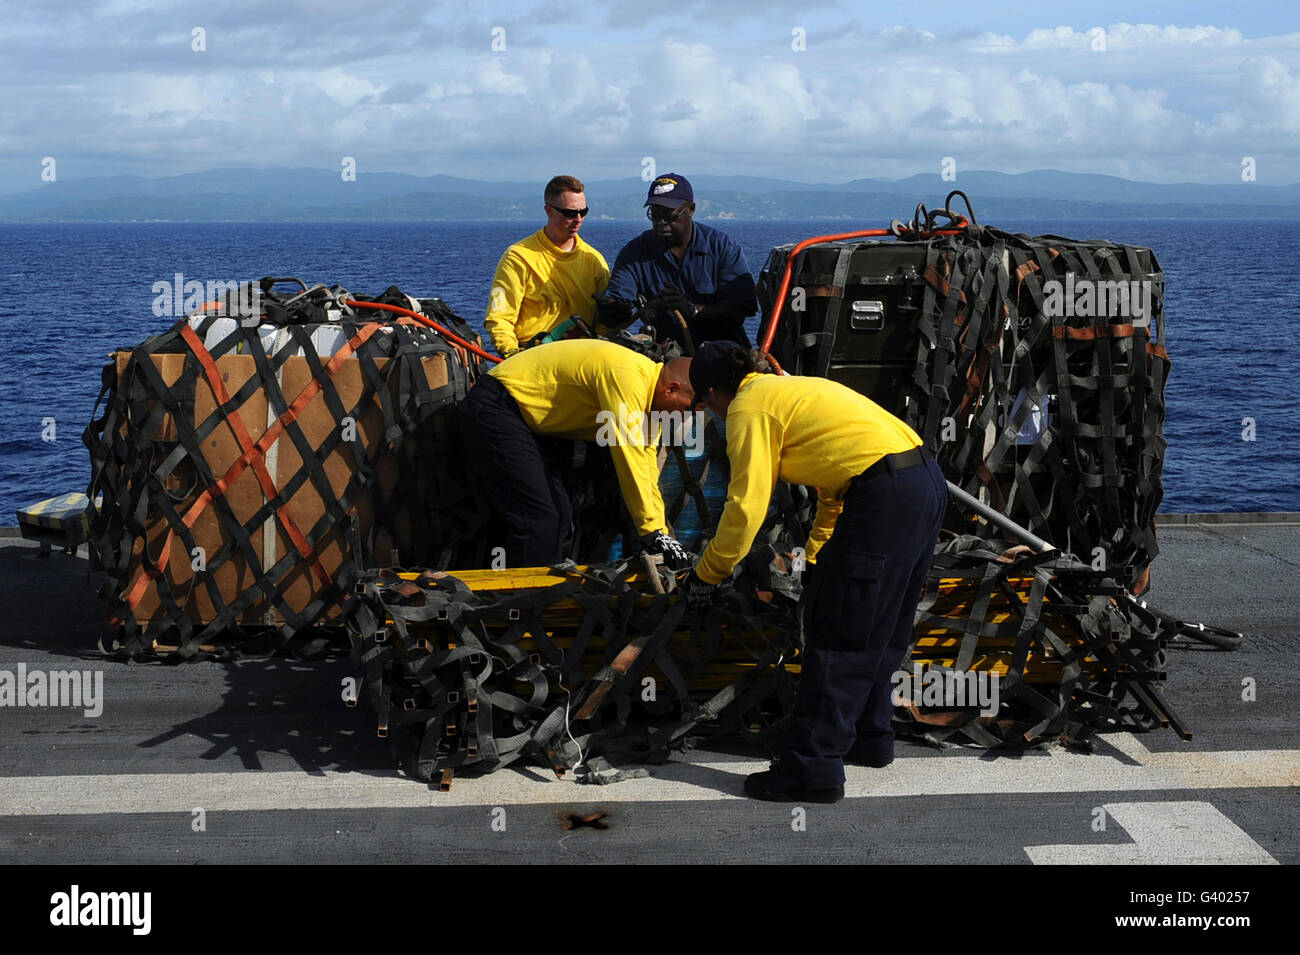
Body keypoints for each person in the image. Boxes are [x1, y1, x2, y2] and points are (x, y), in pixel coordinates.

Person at [680, 342, 947, 804]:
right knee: (881, 626)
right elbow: (834, 484)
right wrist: (818, 555)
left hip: (881, 497)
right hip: (922, 484)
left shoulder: (748, 408)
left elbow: (746, 508)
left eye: (705, 405)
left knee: (839, 636)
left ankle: (813, 771)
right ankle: (870, 739)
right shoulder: (791, 390)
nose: (712, 415)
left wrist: (705, 574)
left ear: (713, 393)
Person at [457, 338, 695, 570]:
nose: (685, 417)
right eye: (688, 408)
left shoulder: (651, 401)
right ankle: (518, 598)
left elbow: (646, 470)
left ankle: (541, 588)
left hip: (526, 420)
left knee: (560, 513)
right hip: (497, 406)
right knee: (538, 519)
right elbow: (629, 458)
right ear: (671, 389)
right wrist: (651, 533)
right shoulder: (628, 377)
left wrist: (661, 533)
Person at [604, 173, 756, 350]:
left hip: (721, 356)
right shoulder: (634, 253)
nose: (661, 223)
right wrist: (610, 309)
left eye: (670, 216)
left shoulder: (722, 248)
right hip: (662, 358)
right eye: (655, 214)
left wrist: (692, 310)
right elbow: (618, 303)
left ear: (691, 210)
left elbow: (740, 310)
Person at [483, 175, 610, 357]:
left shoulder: (594, 260)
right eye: (570, 213)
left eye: (584, 212)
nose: (578, 219)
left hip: (582, 357)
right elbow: (499, 318)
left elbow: (606, 321)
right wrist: (512, 353)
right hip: (533, 355)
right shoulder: (518, 258)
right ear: (548, 210)